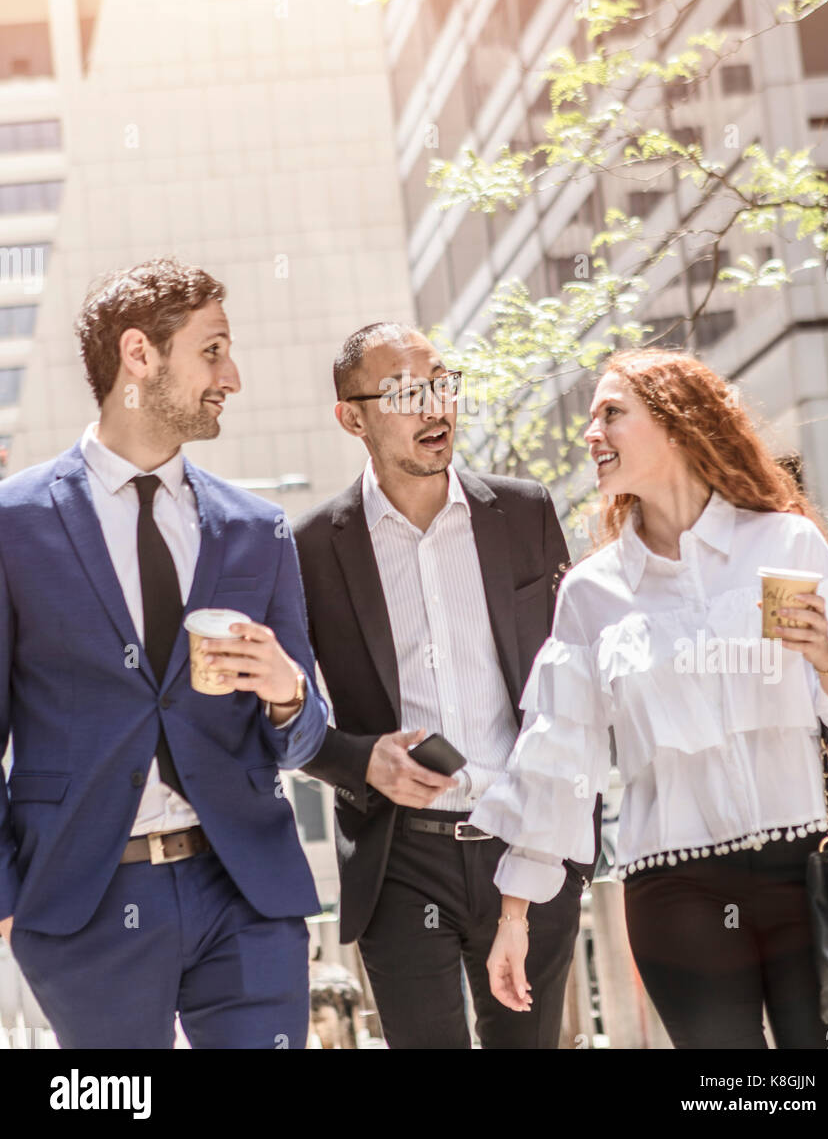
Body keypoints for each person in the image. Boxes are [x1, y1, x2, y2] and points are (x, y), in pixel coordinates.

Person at [472, 347, 828, 1050]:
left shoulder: (785, 544)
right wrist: (514, 916)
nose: (591, 434)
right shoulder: (592, 593)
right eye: (590, 420)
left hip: (811, 865)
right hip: (675, 887)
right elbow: (558, 758)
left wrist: (827, 658)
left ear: (679, 425)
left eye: (612, 414)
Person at [0, 258, 328, 1049]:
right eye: (213, 350)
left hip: (244, 888)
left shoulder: (257, 529)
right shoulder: (14, 526)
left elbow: (305, 731)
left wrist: (288, 694)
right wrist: (9, 897)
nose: (233, 376)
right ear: (139, 356)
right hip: (84, 901)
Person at [293, 322, 601, 1049]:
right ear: (352, 417)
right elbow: (286, 715)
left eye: (440, 383)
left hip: (524, 843)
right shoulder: (310, 548)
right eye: (405, 392)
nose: (435, 407)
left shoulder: (524, 513)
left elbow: (573, 684)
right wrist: (361, 761)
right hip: (398, 857)